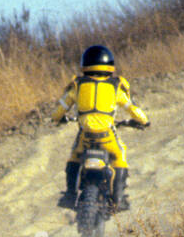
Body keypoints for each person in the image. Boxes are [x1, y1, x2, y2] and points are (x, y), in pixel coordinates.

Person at [51, 44, 149, 211]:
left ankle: (70, 195)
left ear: (85, 64)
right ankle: (118, 200)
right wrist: (144, 121)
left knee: (74, 157)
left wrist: (57, 119)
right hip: (107, 136)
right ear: (109, 65)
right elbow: (132, 108)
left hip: (85, 137)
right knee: (119, 156)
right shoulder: (116, 86)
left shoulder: (77, 86)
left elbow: (58, 111)